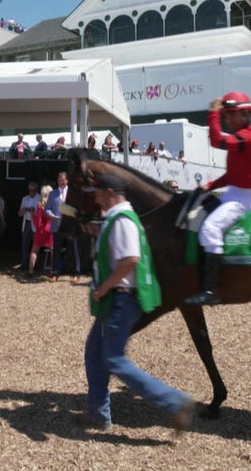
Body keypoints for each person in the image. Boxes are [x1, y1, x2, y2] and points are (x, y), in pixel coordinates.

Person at [79, 173, 194, 435]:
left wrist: (105, 286)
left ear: (110, 192)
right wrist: (97, 230)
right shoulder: (116, 218)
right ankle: (98, 414)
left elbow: (130, 258)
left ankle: (176, 403)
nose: (94, 197)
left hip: (121, 298)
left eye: (97, 192)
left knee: (114, 359)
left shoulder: (122, 221)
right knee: (94, 351)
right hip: (117, 298)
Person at [185, 92, 251, 307]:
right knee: (193, 217)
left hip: (245, 198)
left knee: (210, 228)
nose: (229, 120)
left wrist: (213, 113)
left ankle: (212, 289)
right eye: (226, 116)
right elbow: (233, 175)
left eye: (232, 115)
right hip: (234, 192)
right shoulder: (243, 137)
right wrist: (210, 186)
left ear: (246, 113)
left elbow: (216, 140)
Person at [47, 172, 82, 283]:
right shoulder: (52, 194)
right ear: (58, 181)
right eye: (60, 180)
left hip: (71, 226)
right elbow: (47, 208)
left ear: (67, 181)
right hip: (57, 225)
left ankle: (76, 273)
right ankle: (56, 273)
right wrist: (50, 214)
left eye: (63, 180)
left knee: (75, 249)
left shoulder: (73, 193)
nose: (61, 182)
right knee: (56, 249)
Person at [28, 186, 55, 278]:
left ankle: (30, 271)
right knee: (52, 251)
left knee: (34, 251)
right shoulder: (53, 204)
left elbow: (39, 221)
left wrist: (32, 215)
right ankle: (52, 271)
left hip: (41, 230)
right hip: (50, 229)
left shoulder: (40, 205)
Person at [16, 181, 40, 271]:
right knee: (25, 245)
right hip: (26, 223)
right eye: (30, 190)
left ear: (36, 190)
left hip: (36, 224)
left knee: (36, 245)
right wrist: (22, 211)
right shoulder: (24, 199)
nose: (31, 192)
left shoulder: (39, 198)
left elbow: (41, 213)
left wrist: (34, 212)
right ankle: (24, 263)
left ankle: (35, 264)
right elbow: (20, 213)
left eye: (33, 190)